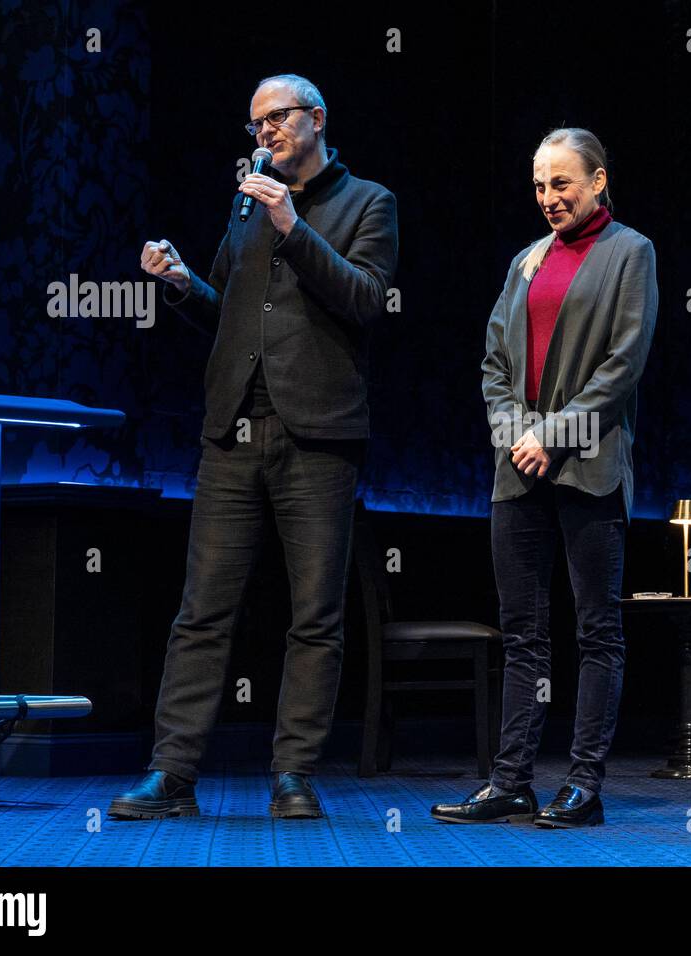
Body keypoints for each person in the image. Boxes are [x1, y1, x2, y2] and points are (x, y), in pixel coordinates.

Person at [110, 73, 397, 820]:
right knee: (202, 609)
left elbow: (367, 299)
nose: (264, 133)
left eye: (276, 119)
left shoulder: (369, 202)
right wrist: (177, 282)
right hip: (233, 433)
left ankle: (295, 774)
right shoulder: (246, 199)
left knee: (314, 616)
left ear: (317, 119)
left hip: (319, 438)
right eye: (255, 124)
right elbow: (226, 314)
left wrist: (294, 229)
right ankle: (171, 774)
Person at [430, 128, 657, 828]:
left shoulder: (631, 252)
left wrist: (553, 437)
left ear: (597, 181)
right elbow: (494, 363)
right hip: (517, 469)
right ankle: (511, 781)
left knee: (596, 630)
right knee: (523, 633)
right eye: (539, 185)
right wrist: (514, 436)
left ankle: (584, 783)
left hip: (587, 464)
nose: (549, 197)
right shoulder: (527, 260)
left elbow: (623, 363)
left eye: (562, 183)